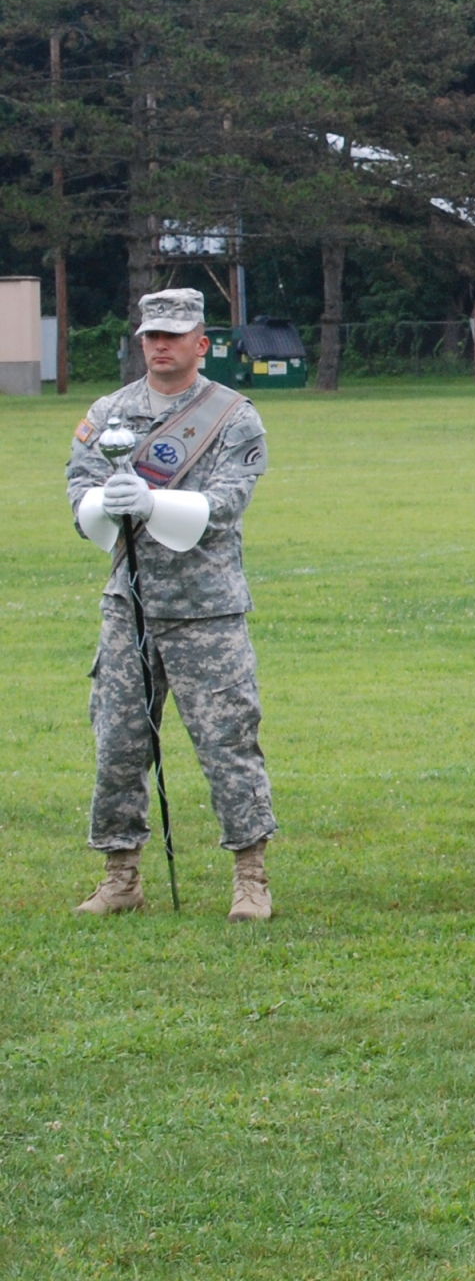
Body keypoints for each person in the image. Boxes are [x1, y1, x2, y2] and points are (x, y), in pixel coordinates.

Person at [64, 288, 277, 921]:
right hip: (128, 602)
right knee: (118, 741)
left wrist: (155, 504)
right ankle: (119, 874)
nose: (160, 345)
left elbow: (228, 501)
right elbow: (79, 487)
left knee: (228, 743)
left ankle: (250, 877)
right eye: (151, 335)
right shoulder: (109, 412)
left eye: (173, 335)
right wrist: (104, 504)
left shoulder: (234, 415)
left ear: (200, 343)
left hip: (207, 607)